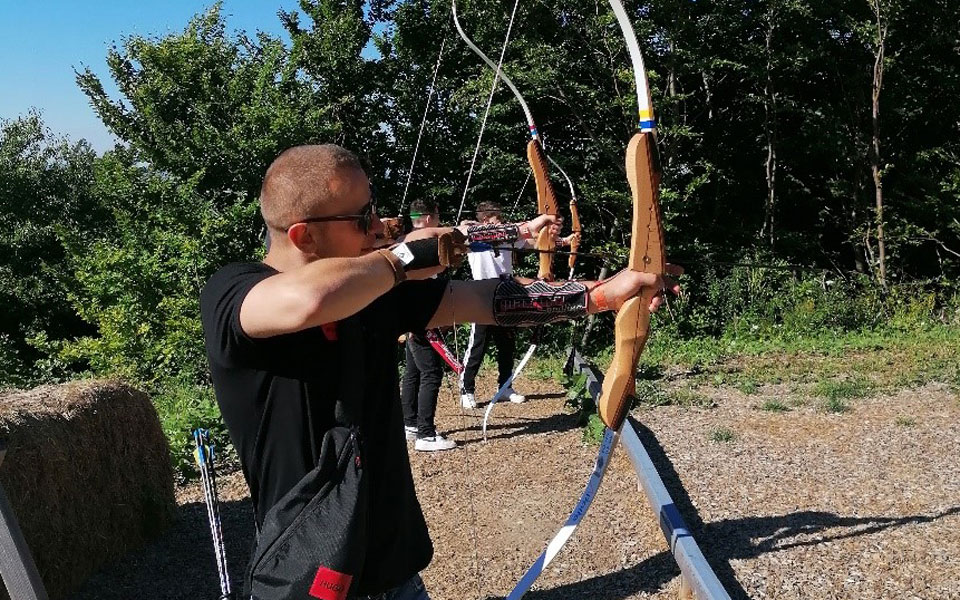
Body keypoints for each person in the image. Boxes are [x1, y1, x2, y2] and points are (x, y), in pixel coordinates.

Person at [200, 144, 678, 599]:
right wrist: (403, 256)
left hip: (395, 568)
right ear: (303, 235)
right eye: (362, 217)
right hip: (309, 569)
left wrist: (599, 295)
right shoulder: (234, 292)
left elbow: (484, 299)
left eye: (376, 211)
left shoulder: (370, 287)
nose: (378, 226)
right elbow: (307, 300)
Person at [459, 201, 578, 408]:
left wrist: (565, 241)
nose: (502, 223)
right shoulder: (474, 238)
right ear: (486, 220)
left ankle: (505, 387)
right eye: (497, 219)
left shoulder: (509, 236)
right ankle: (466, 390)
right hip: (481, 297)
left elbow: (536, 243)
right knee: (478, 345)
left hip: (505, 294)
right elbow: (463, 228)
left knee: (507, 345)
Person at [400, 199, 456, 451]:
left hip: (414, 317)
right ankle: (426, 434)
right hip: (422, 320)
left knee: (413, 372)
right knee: (431, 373)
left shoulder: (405, 240)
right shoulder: (422, 242)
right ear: (430, 217)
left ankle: (410, 423)